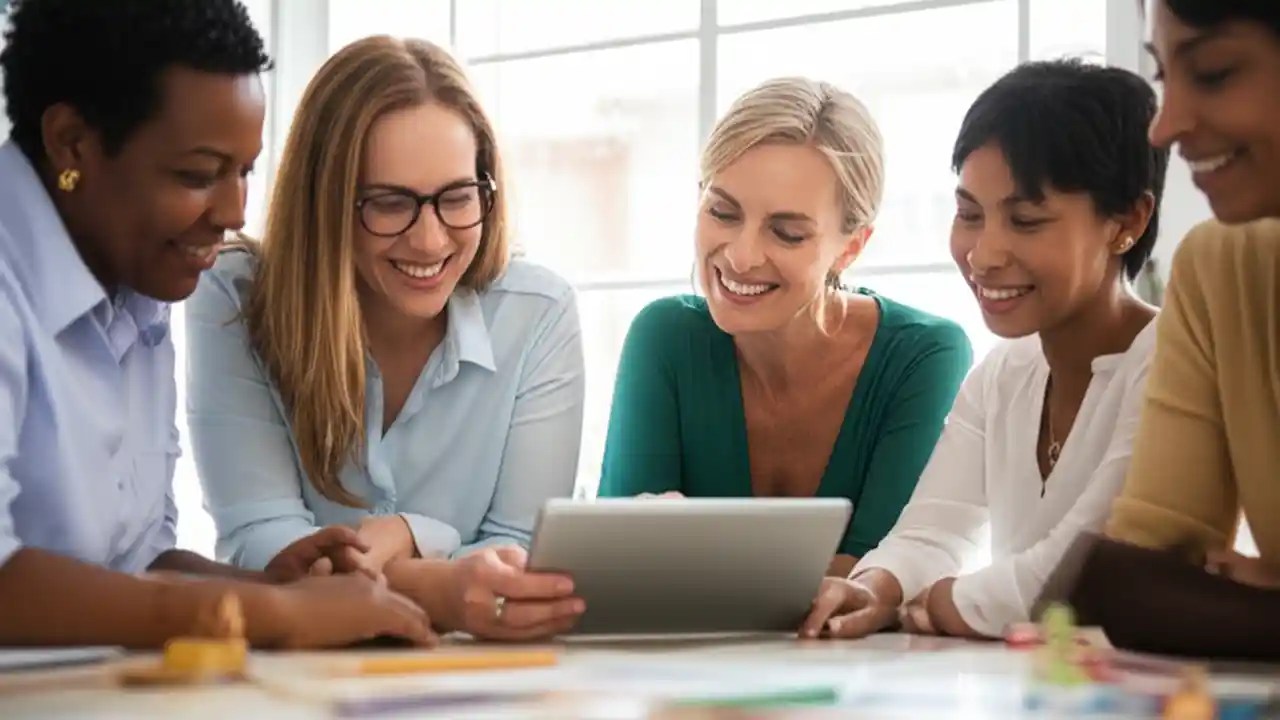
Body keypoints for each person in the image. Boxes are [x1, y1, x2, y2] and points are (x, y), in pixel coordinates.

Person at [0, 0, 432, 648]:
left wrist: (277, 591)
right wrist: (269, 619)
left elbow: (131, 568)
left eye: (245, 170)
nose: (233, 212)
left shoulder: (135, 286)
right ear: (72, 144)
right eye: (198, 175)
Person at [186, 36, 586, 641]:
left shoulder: (539, 314)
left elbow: (523, 556)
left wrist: (407, 535)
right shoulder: (234, 298)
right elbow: (263, 546)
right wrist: (436, 561)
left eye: (456, 198)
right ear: (324, 203)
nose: (429, 242)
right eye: (389, 203)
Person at [801, 58, 1168, 640]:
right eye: (969, 214)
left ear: (1126, 220)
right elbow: (932, 533)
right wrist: (873, 590)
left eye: (1025, 220)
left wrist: (948, 602)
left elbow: (1080, 569)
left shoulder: (1171, 362)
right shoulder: (1005, 372)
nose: (984, 253)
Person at [597, 77, 973, 577]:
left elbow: (873, 577)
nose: (741, 255)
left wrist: (693, 564)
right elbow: (619, 562)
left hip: (862, 660)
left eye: (787, 233)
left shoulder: (923, 357)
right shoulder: (665, 338)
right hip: (682, 658)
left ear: (851, 246)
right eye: (722, 212)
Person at [1054, 0, 1280, 659]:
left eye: (1212, 72)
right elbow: (1124, 584)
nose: (1166, 126)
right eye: (1163, 79)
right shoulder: (1225, 265)